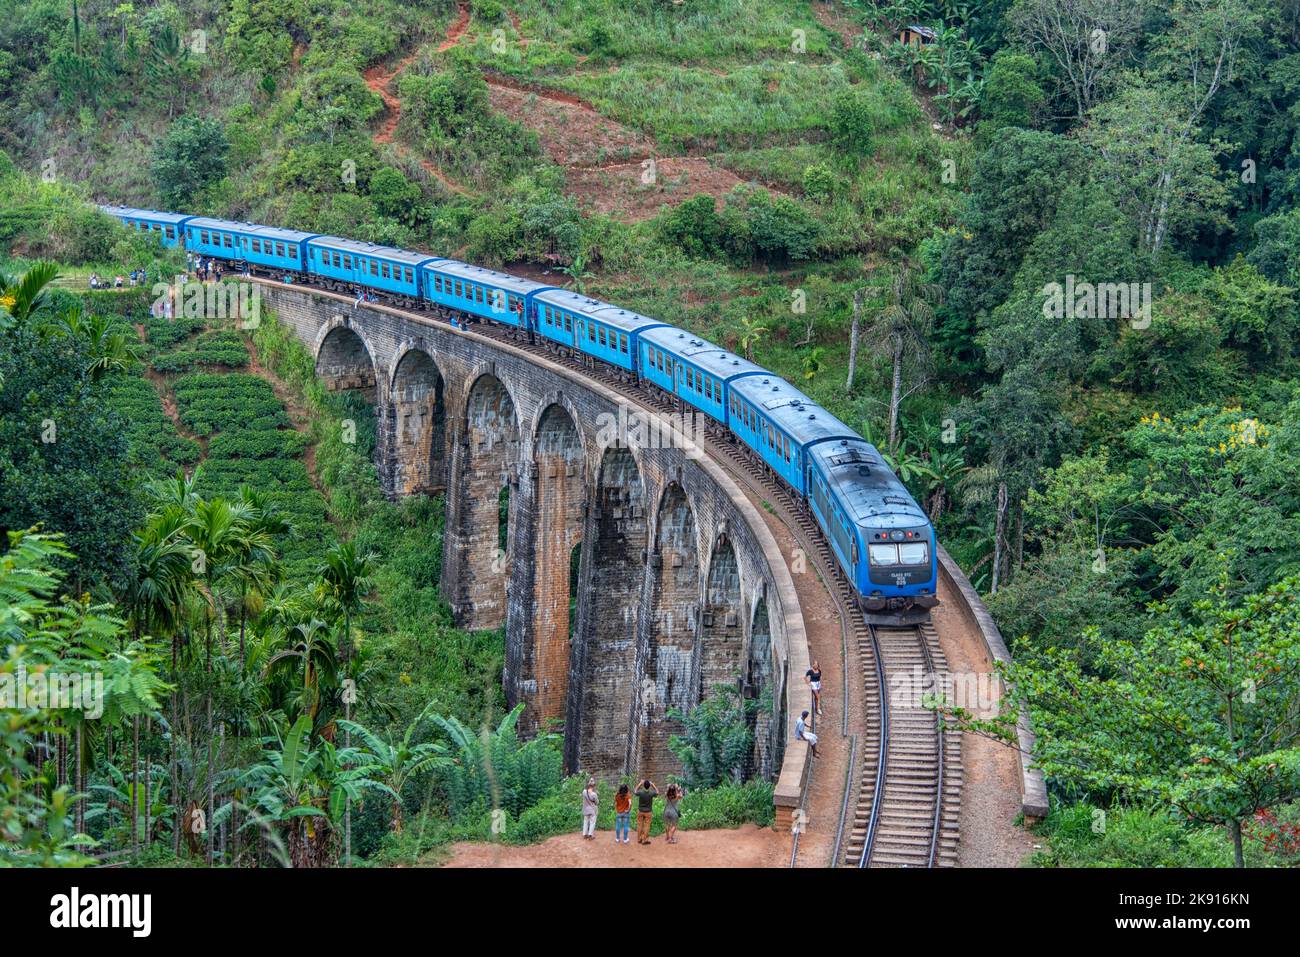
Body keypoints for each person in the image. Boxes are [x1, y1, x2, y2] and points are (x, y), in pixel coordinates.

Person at [634, 778, 658, 845]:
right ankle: (644, 839)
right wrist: (653, 785)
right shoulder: (651, 793)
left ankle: (639, 839)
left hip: (640, 811)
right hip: (648, 812)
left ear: (643, 786)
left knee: (639, 825)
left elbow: (635, 791)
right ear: (649, 786)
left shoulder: (641, 792)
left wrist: (639, 784)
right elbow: (657, 792)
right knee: (647, 826)